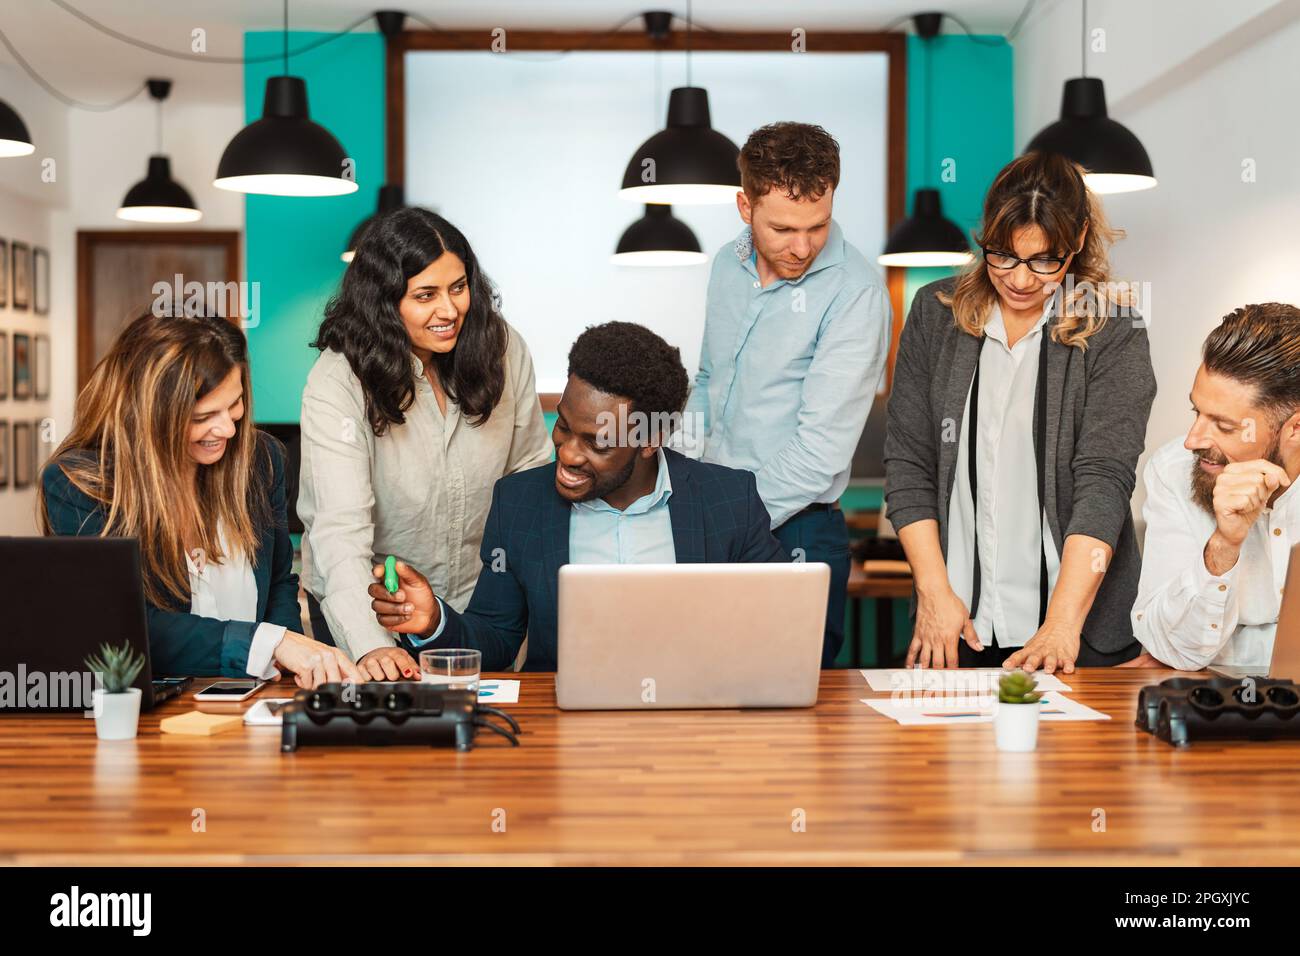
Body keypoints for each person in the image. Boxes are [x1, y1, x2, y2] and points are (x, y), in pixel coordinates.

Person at [368, 321, 790, 671]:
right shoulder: (520, 503)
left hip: (699, 725)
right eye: (564, 426)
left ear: (650, 439)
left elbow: (778, 627)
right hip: (561, 734)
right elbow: (496, 638)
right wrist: (434, 621)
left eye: (598, 443)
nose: (567, 453)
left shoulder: (729, 500)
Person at [884, 151, 1156, 673]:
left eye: (1044, 260)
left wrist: (1061, 625)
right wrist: (934, 592)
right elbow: (909, 463)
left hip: (1075, 634)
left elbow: (1103, 481)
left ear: (1076, 243)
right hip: (956, 627)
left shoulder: (1114, 331)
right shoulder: (933, 315)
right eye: (1003, 255)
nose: (1021, 279)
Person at [39, 312, 359, 688]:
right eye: (204, 416)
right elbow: (124, 625)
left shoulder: (262, 460)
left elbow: (277, 583)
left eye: (235, 404)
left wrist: (294, 659)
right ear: (150, 415)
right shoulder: (79, 484)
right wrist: (271, 644)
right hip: (149, 714)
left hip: (254, 701)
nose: (227, 428)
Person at [299, 208, 551, 680]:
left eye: (458, 288)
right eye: (425, 295)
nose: (450, 310)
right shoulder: (339, 380)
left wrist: (523, 602)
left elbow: (529, 480)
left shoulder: (502, 348)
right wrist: (371, 646)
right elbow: (339, 531)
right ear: (383, 301)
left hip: (481, 611)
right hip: (373, 610)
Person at [682, 121, 891, 668]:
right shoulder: (729, 263)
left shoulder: (856, 294)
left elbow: (819, 455)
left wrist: (719, 520)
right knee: (695, 697)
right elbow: (707, 381)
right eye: (782, 229)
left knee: (787, 724)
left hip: (793, 528)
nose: (802, 247)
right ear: (744, 206)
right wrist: (675, 484)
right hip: (712, 517)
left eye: (818, 226)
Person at [1133, 304, 1300, 671]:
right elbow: (1171, 647)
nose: (1193, 440)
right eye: (1197, 413)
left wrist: (1245, 644)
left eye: (1224, 427)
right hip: (1213, 703)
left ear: (1295, 429)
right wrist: (1224, 544)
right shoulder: (1173, 470)